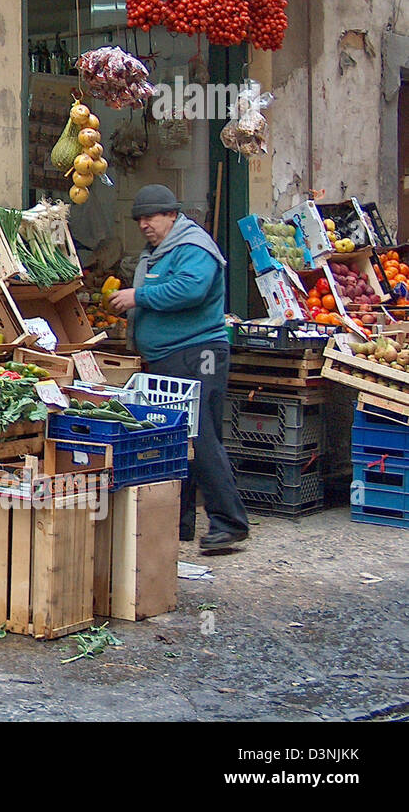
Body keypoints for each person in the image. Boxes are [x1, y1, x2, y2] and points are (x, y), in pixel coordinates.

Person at [106, 184, 250, 554]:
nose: (143, 225)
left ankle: (230, 523)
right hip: (171, 356)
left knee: (199, 436)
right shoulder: (160, 250)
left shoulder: (193, 247)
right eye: (139, 218)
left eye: (150, 217)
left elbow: (191, 290)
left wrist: (137, 296)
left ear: (172, 214)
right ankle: (179, 522)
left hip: (197, 354)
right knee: (175, 439)